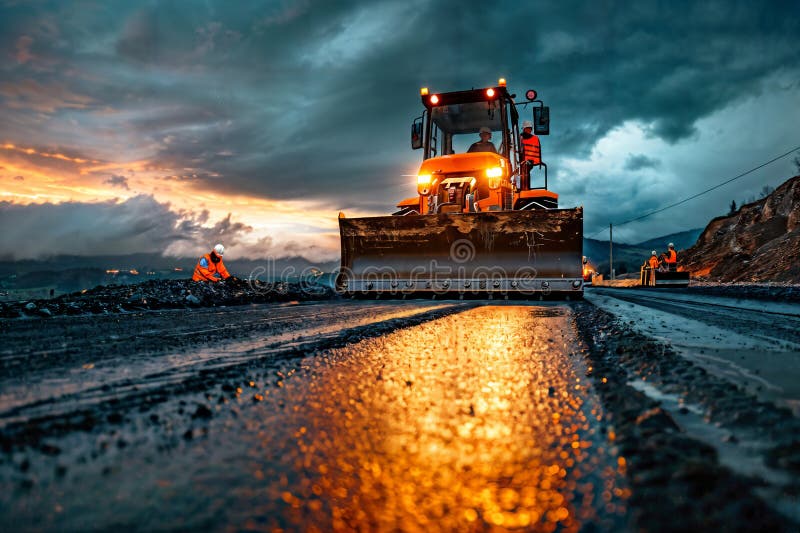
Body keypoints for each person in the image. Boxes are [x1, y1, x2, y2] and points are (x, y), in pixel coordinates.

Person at [519, 120, 541, 190]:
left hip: (530, 161)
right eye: (527, 128)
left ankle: (525, 189)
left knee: (525, 169)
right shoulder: (519, 137)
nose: (529, 130)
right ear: (524, 129)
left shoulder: (533, 138)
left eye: (529, 128)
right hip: (522, 160)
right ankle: (520, 188)